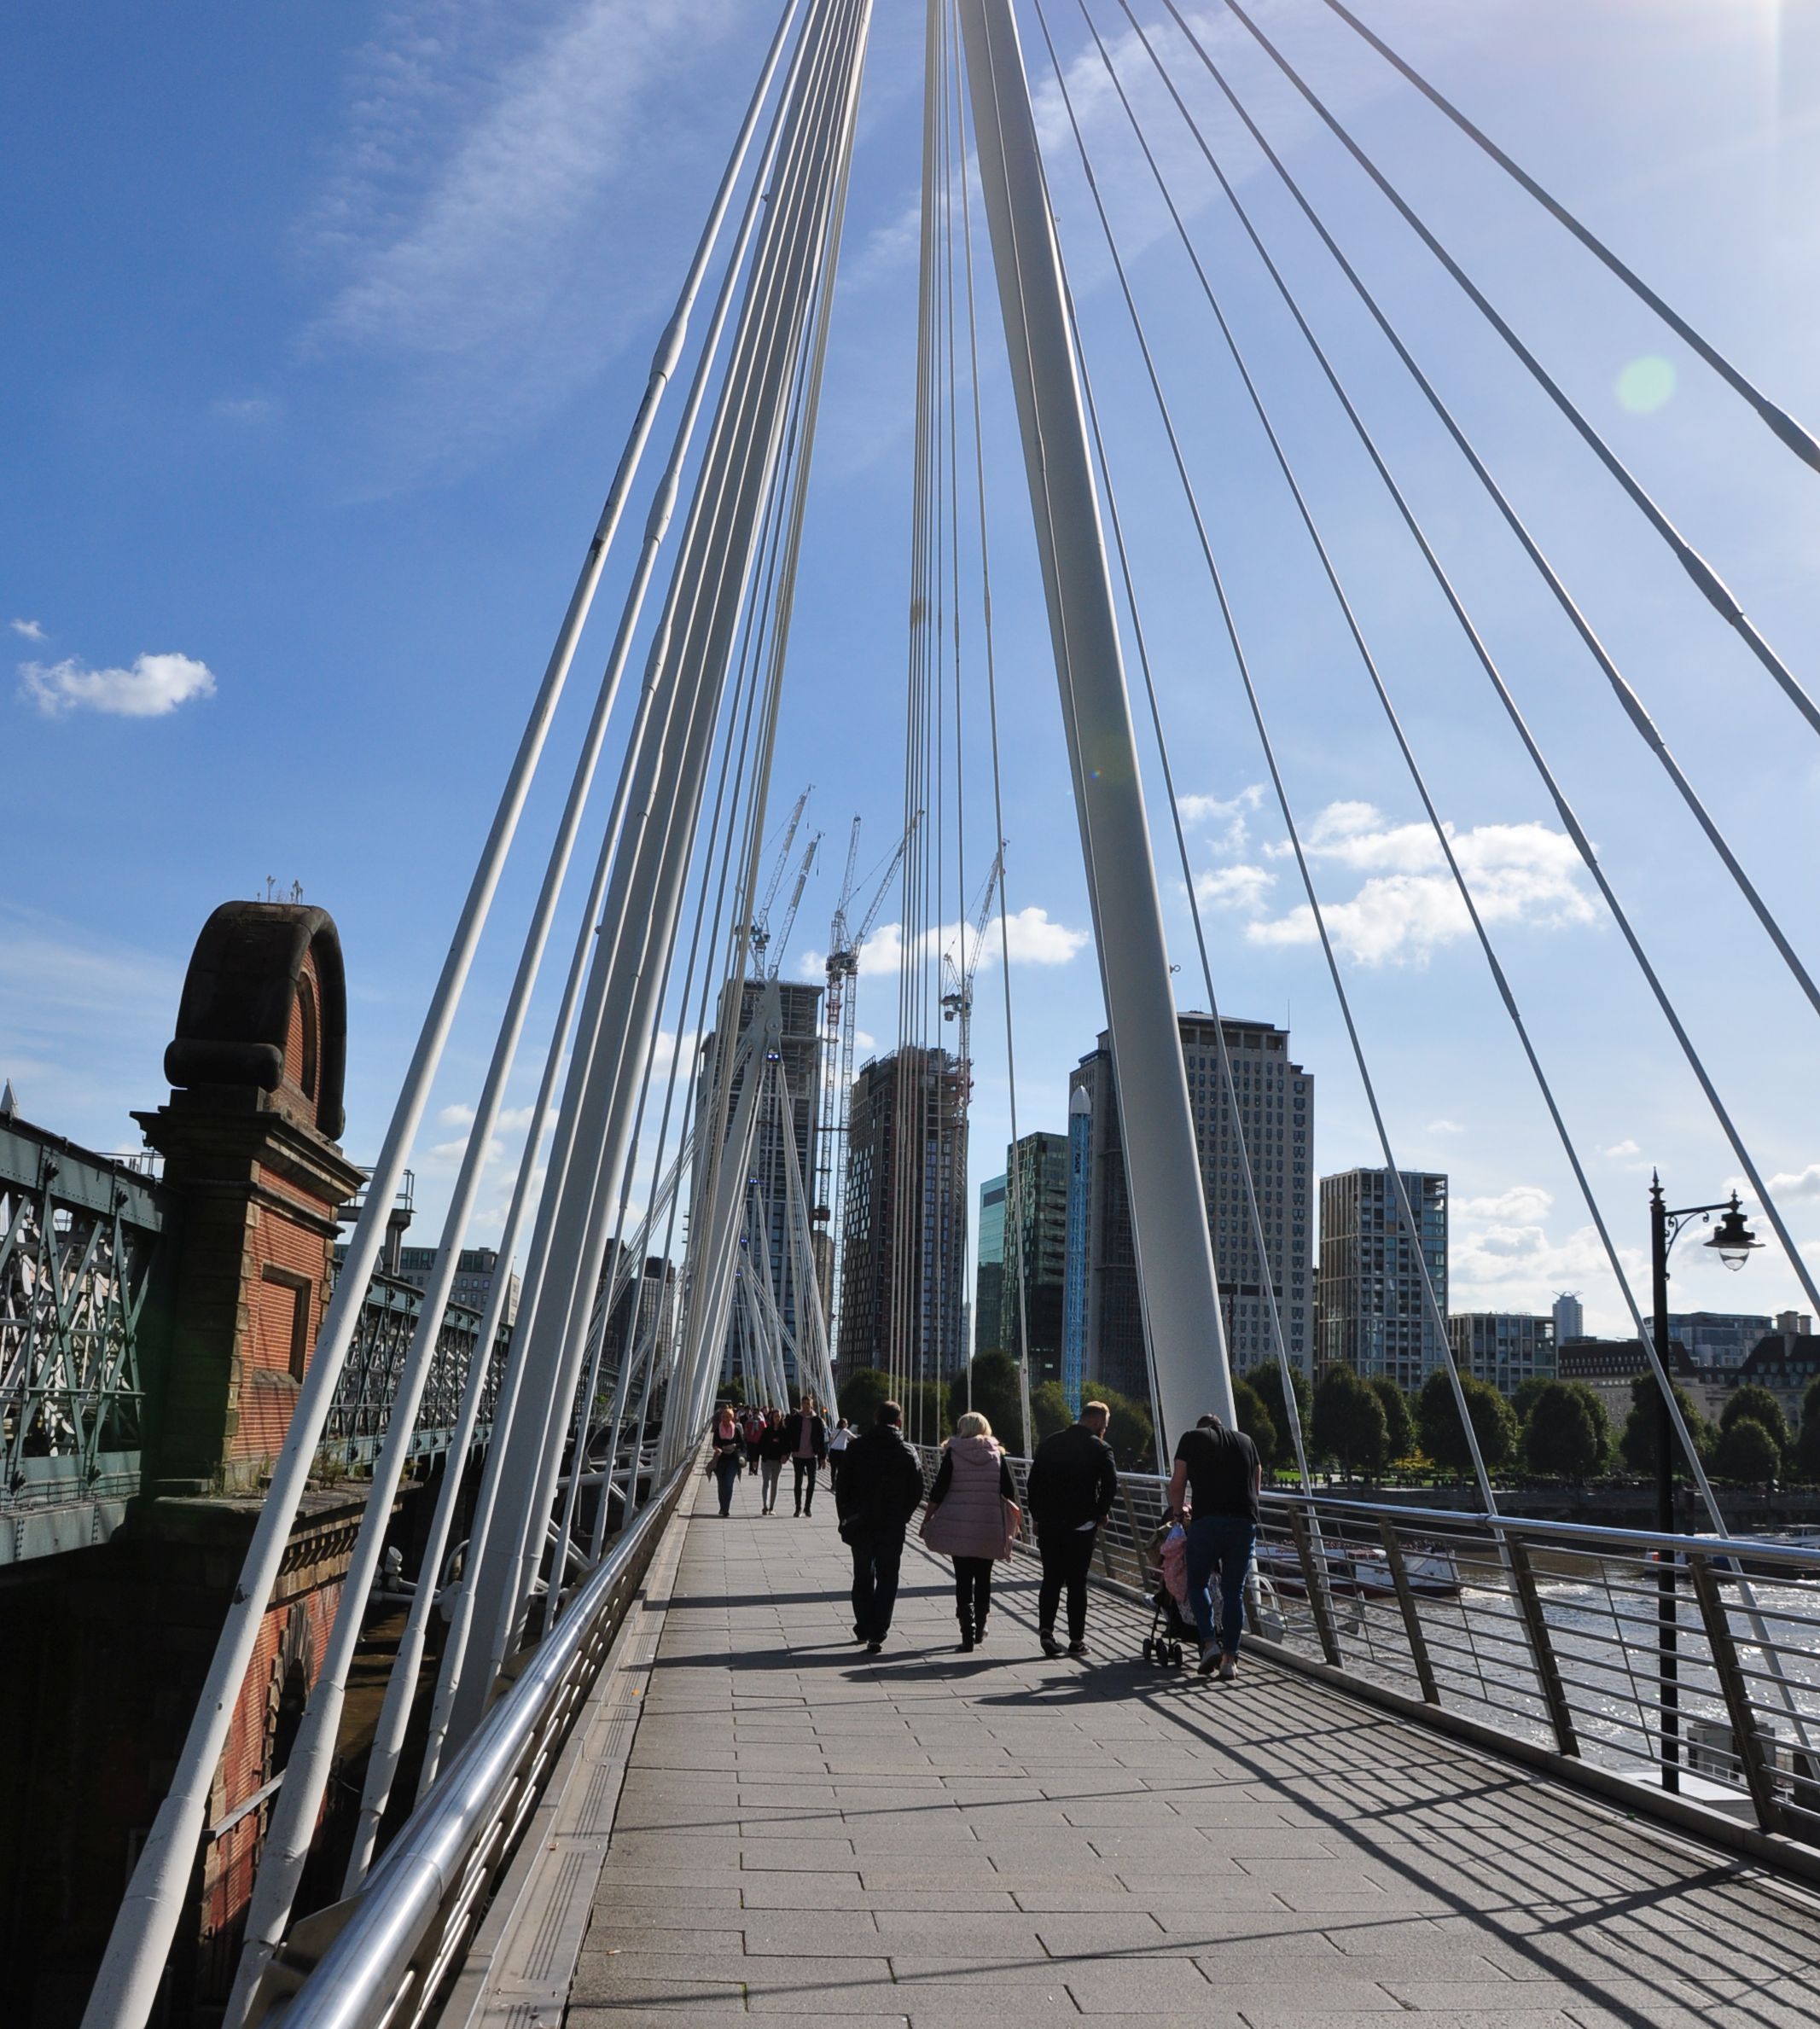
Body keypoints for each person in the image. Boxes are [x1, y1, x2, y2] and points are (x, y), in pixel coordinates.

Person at [1168, 1410, 1261, 1681]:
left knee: (1197, 1583)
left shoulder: (1191, 1438)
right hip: (1244, 1522)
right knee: (1234, 1591)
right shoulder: (1246, 1441)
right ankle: (1230, 1660)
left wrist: (1178, 1514)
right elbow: (1257, 1481)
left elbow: (1178, 1482)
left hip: (1207, 1521)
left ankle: (1209, 1644)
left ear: (1202, 1428)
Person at [1026, 1399, 1117, 1658]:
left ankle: (1046, 1632)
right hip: (1082, 1524)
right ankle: (1076, 1640)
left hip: (1050, 1524)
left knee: (1051, 1578)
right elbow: (1110, 1484)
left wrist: (1037, 1516)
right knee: (1077, 1582)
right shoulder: (1100, 1448)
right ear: (1097, 1422)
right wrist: (1100, 1512)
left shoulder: (1051, 1442)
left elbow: (1033, 1483)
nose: (1104, 1430)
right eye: (1104, 1425)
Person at [834, 1400, 925, 1653]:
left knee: (863, 1574)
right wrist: (903, 1515)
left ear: (875, 1418)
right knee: (888, 1576)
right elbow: (917, 1490)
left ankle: (864, 1625)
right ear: (899, 1422)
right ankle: (878, 1631)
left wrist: (845, 1516)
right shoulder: (907, 1451)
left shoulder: (857, 1447)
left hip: (860, 1522)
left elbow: (842, 1486)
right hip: (892, 1524)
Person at [922, 1410, 1016, 1650]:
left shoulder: (953, 1453)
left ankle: (967, 1632)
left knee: (963, 1578)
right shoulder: (997, 1455)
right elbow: (1008, 1491)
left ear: (962, 1428)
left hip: (959, 1524)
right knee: (984, 1576)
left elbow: (939, 1490)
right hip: (988, 1524)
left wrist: (927, 1518)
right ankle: (981, 1627)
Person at [783, 1393, 828, 1517]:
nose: (806, 1406)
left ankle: (807, 1507)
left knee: (812, 1481)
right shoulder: (795, 1419)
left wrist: (823, 1457)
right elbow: (789, 1436)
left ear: (811, 1405)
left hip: (811, 1455)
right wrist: (786, 1453)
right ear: (801, 1404)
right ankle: (798, 1508)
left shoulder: (817, 1420)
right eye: (804, 1403)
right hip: (798, 1454)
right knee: (798, 1482)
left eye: (808, 1403)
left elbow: (821, 1439)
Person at [707, 1404, 744, 1519]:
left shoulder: (736, 1430)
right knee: (721, 1485)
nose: (725, 1419)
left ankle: (726, 1509)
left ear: (732, 1418)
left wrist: (735, 1445)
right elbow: (715, 1444)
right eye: (724, 1417)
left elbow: (742, 1444)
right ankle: (722, 1506)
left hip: (732, 1460)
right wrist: (717, 1449)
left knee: (728, 1484)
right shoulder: (718, 1430)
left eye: (728, 1417)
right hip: (720, 1460)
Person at [759, 1405, 789, 1515]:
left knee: (775, 1483)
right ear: (772, 1418)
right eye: (775, 1416)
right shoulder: (767, 1431)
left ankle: (772, 1507)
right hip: (767, 1460)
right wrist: (757, 1458)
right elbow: (761, 1444)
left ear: (781, 1418)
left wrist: (786, 1456)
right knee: (766, 1482)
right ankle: (765, 1505)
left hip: (778, 1461)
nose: (777, 1418)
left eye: (778, 1417)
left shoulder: (784, 1432)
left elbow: (788, 1446)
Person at [827, 1415, 852, 1496]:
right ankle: (838, 1484)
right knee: (841, 1469)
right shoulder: (846, 1431)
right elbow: (854, 1437)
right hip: (841, 1452)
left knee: (833, 1469)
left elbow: (831, 1440)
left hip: (833, 1451)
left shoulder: (834, 1431)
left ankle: (833, 1484)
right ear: (843, 1424)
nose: (847, 1425)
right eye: (846, 1423)